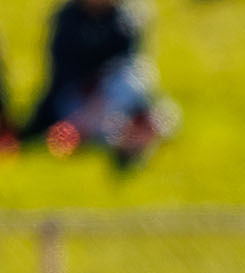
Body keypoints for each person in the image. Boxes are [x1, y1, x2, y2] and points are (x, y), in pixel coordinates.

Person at [20, 0, 169, 167]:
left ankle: (127, 138)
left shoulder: (127, 18)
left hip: (112, 102)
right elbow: (61, 76)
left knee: (135, 82)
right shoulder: (67, 19)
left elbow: (128, 71)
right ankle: (127, 138)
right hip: (77, 104)